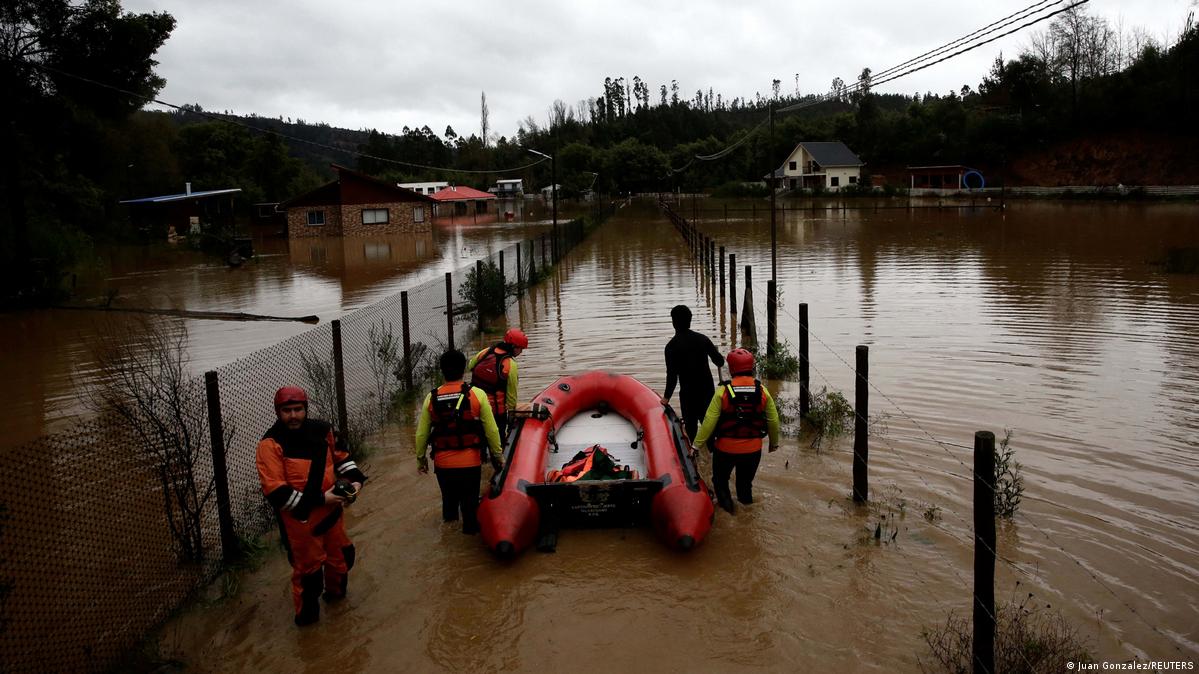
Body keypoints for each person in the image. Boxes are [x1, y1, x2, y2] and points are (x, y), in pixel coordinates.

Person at [256, 386, 367, 626]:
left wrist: (355, 483)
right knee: (310, 577)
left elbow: (343, 460)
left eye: (298, 409)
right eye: (287, 411)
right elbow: (277, 493)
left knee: (342, 560)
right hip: (300, 525)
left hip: (333, 515)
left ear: (306, 409)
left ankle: (339, 614)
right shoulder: (270, 445)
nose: (293, 415)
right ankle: (308, 626)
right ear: (278, 412)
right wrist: (321, 499)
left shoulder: (323, 430)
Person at [415, 350, 504, 534]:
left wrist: (420, 459)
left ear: (442, 370)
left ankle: (448, 538)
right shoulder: (477, 395)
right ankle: (468, 539)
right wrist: (498, 456)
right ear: (464, 369)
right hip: (470, 464)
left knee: (449, 506)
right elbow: (492, 430)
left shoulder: (431, 398)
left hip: (443, 465)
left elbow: (422, 434)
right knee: (470, 508)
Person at [691, 349, 781, 514]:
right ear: (752, 367)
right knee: (745, 484)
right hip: (753, 450)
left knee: (720, 481)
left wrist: (696, 446)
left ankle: (729, 513)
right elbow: (773, 420)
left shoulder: (723, 391)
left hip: (725, 450)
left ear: (731, 369)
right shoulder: (762, 390)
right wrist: (774, 444)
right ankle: (746, 515)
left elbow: (708, 422)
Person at [661, 305, 725, 439]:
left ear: (673, 322)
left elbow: (672, 377)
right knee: (711, 432)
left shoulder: (671, 347)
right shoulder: (703, 340)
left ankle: (694, 457)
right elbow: (719, 362)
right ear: (690, 321)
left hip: (688, 395)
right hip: (707, 393)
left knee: (691, 433)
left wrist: (666, 399)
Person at [469, 327, 527, 440]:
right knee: (498, 441)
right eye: (521, 349)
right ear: (514, 347)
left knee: (479, 440)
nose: (521, 352)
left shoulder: (485, 352)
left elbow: (471, 366)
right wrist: (511, 415)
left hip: (474, 407)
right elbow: (511, 396)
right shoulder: (510, 365)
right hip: (496, 413)